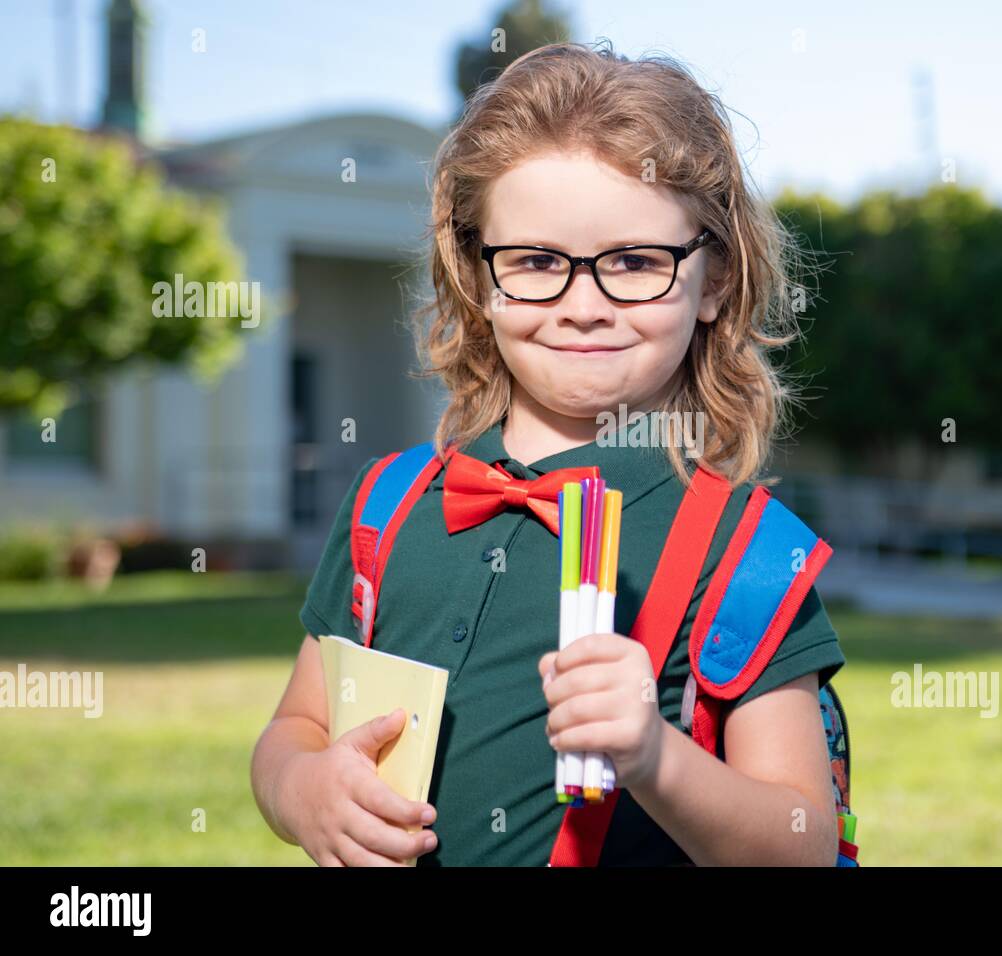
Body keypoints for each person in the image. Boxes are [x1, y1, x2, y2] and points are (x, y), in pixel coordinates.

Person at [250, 40, 846, 866]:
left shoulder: (746, 552)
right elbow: (294, 730)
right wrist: (300, 791)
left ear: (713, 281)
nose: (584, 305)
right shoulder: (387, 504)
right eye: (535, 263)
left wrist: (655, 758)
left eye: (636, 263)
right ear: (477, 278)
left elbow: (802, 842)